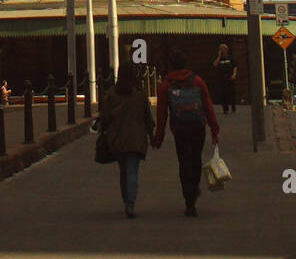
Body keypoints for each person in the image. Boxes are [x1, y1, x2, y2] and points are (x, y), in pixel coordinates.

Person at [153, 49, 220, 217]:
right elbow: (207, 106)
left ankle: (189, 200)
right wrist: (214, 129)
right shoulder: (197, 81)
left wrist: (158, 137)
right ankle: (194, 190)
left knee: (184, 162)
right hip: (198, 127)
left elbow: (161, 114)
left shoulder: (165, 85)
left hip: (180, 129)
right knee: (196, 160)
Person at [99, 61, 156, 218]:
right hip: (136, 138)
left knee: (123, 170)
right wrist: (152, 136)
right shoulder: (139, 94)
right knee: (132, 170)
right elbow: (147, 117)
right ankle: (130, 202)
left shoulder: (111, 94)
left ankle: (127, 199)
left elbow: (105, 117)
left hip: (117, 138)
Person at [211, 43, 238, 113]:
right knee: (223, 93)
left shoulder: (230, 57)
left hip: (230, 76)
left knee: (232, 92)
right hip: (222, 77)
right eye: (221, 49)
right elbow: (215, 64)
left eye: (223, 49)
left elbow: (235, 66)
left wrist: (234, 74)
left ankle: (233, 107)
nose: (223, 50)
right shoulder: (219, 58)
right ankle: (225, 108)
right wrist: (219, 56)